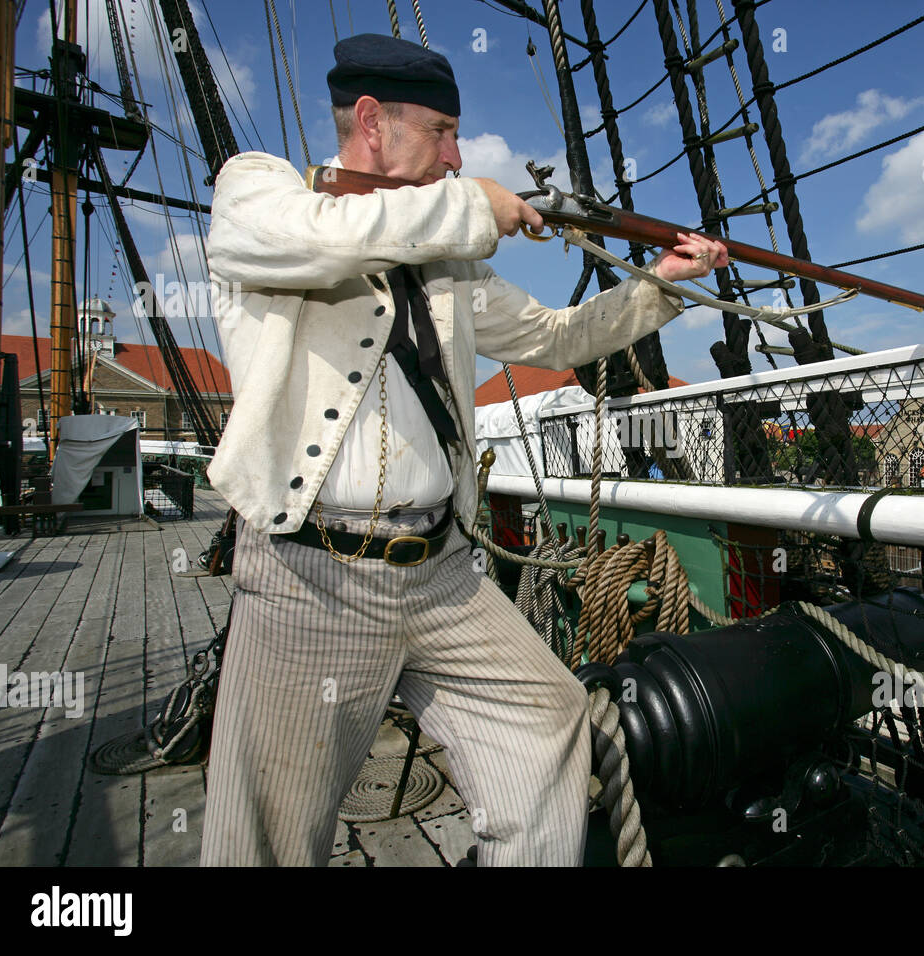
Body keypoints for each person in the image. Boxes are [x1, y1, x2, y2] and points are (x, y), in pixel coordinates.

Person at [197, 34, 726, 866]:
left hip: (441, 570)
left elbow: (558, 338)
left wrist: (660, 281)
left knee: (548, 722)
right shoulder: (262, 188)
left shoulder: (449, 259)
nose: (456, 154)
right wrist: (477, 206)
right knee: (264, 837)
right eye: (442, 132)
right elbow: (300, 236)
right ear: (371, 120)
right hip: (311, 577)